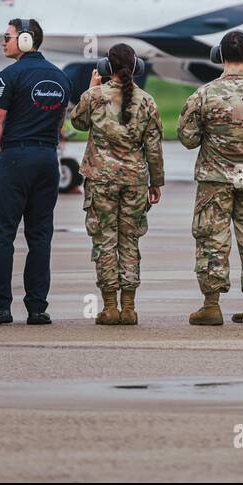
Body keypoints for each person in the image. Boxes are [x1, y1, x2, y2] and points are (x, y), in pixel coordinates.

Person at [177, 29, 243, 326]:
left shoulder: (205, 94)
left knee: (213, 240)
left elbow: (187, 138)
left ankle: (211, 305)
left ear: (219, 57)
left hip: (215, 179)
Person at [0, 18, 71, 325]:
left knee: (3, 233)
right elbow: (60, 124)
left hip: (16, 157)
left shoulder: (10, 75)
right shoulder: (61, 77)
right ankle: (37, 308)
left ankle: (0, 307)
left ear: (24, 41)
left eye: (7, 37)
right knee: (40, 235)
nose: (2, 41)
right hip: (48, 160)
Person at [69, 43, 164, 326]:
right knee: (130, 240)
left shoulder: (94, 97)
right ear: (136, 67)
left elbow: (77, 123)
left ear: (106, 68)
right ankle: (130, 308)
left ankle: (109, 307)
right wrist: (155, 183)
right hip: (134, 181)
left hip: (101, 181)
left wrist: (90, 87)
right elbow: (154, 147)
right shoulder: (147, 101)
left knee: (105, 240)